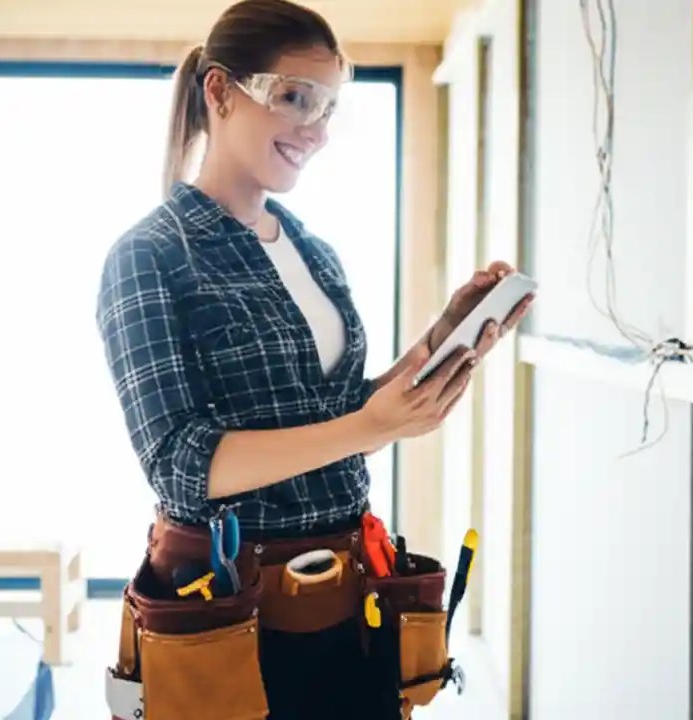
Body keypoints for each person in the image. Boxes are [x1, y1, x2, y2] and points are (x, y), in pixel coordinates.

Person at [95, 1, 533, 717]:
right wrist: (372, 429)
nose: (316, 131)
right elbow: (180, 464)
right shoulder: (149, 256)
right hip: (226, 608)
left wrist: (438, 343)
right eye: (296, 98)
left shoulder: (312, 253)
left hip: (346, 590)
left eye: (329, 109)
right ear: (219, 91)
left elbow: (333, 412)